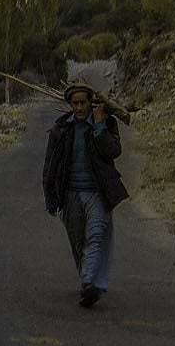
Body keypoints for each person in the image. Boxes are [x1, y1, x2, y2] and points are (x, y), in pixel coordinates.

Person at [41, 82, 129, 308]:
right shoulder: (61, 129)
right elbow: (50, 165)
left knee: (96, 237)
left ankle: (89, 282)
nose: (79, 108)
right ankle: (89, 282)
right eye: (75, 103)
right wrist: (50, 196)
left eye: (83, 103)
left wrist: (99, 126)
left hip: (97, 193)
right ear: (70, 105)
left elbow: (113, 151)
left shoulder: (106, 124)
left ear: (91, 103)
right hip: (70, 195)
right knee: (79, 242)